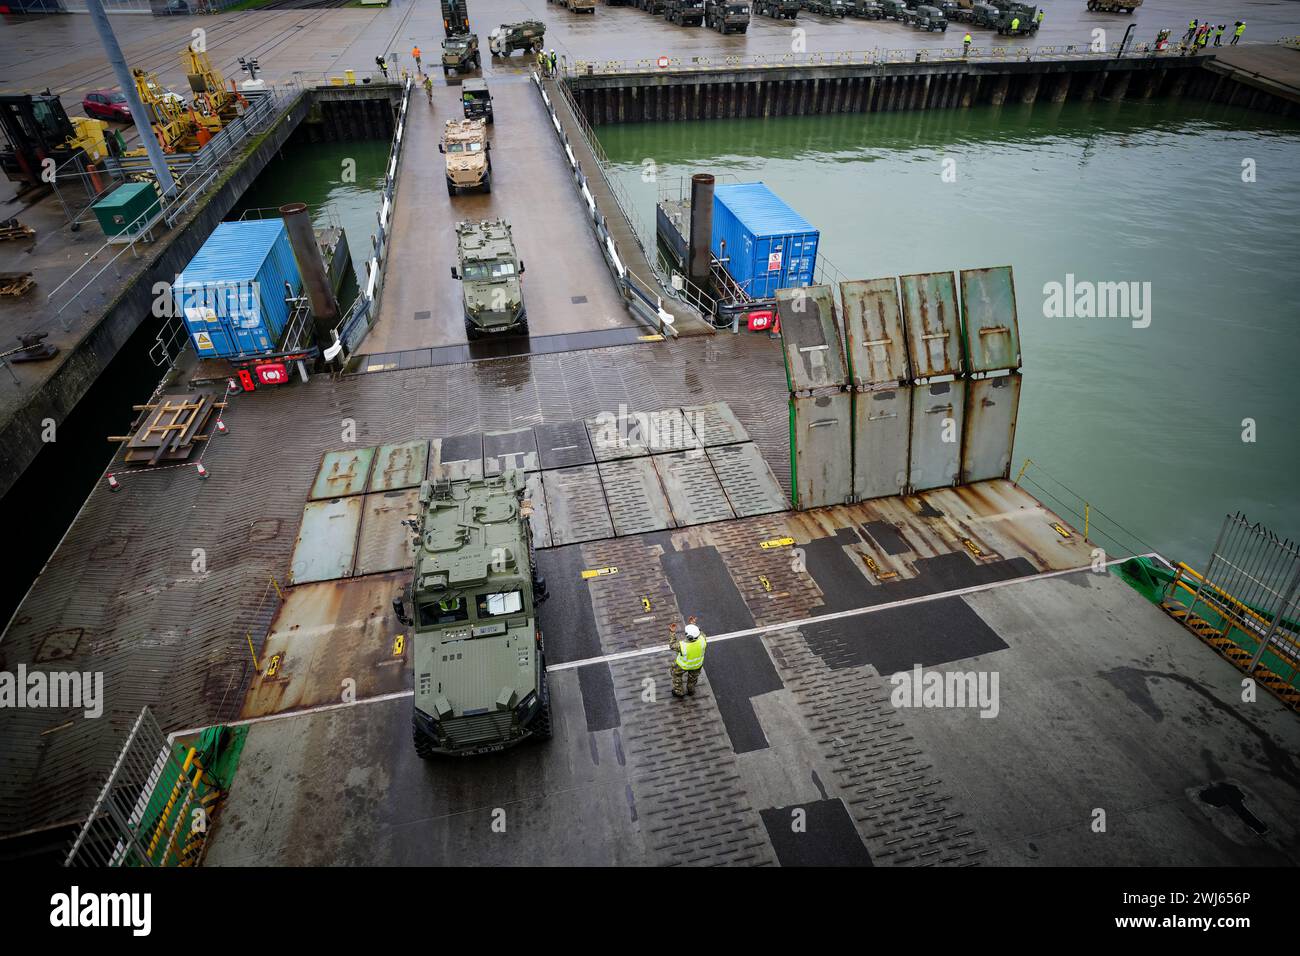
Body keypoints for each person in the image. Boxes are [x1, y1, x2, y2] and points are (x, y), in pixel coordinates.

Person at [667, 618, 707, 699]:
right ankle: (691, 690)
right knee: (693, 679)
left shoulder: (682, 645)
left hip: (682, 666)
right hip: (697, 665)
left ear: (687, 636)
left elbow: (672, 645)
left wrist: (672, 632)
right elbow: (700, 632)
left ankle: (679, 692)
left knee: (676, 675)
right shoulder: (703, 639)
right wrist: (693, 624)